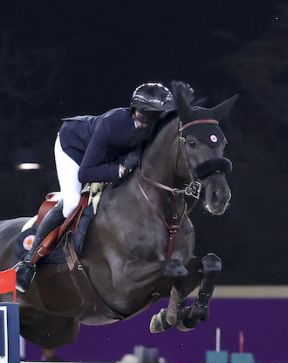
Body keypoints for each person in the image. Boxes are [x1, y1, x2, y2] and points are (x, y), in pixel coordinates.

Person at [17, 82, 174, 293]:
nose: (160, 119)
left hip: (107, 156)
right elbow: (86, 173)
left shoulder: (153, 129)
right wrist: (119, 170)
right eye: (156, 114)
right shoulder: (112, 124)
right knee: (72, 202)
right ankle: (28, 263)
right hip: (74, 149)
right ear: (140, 111)